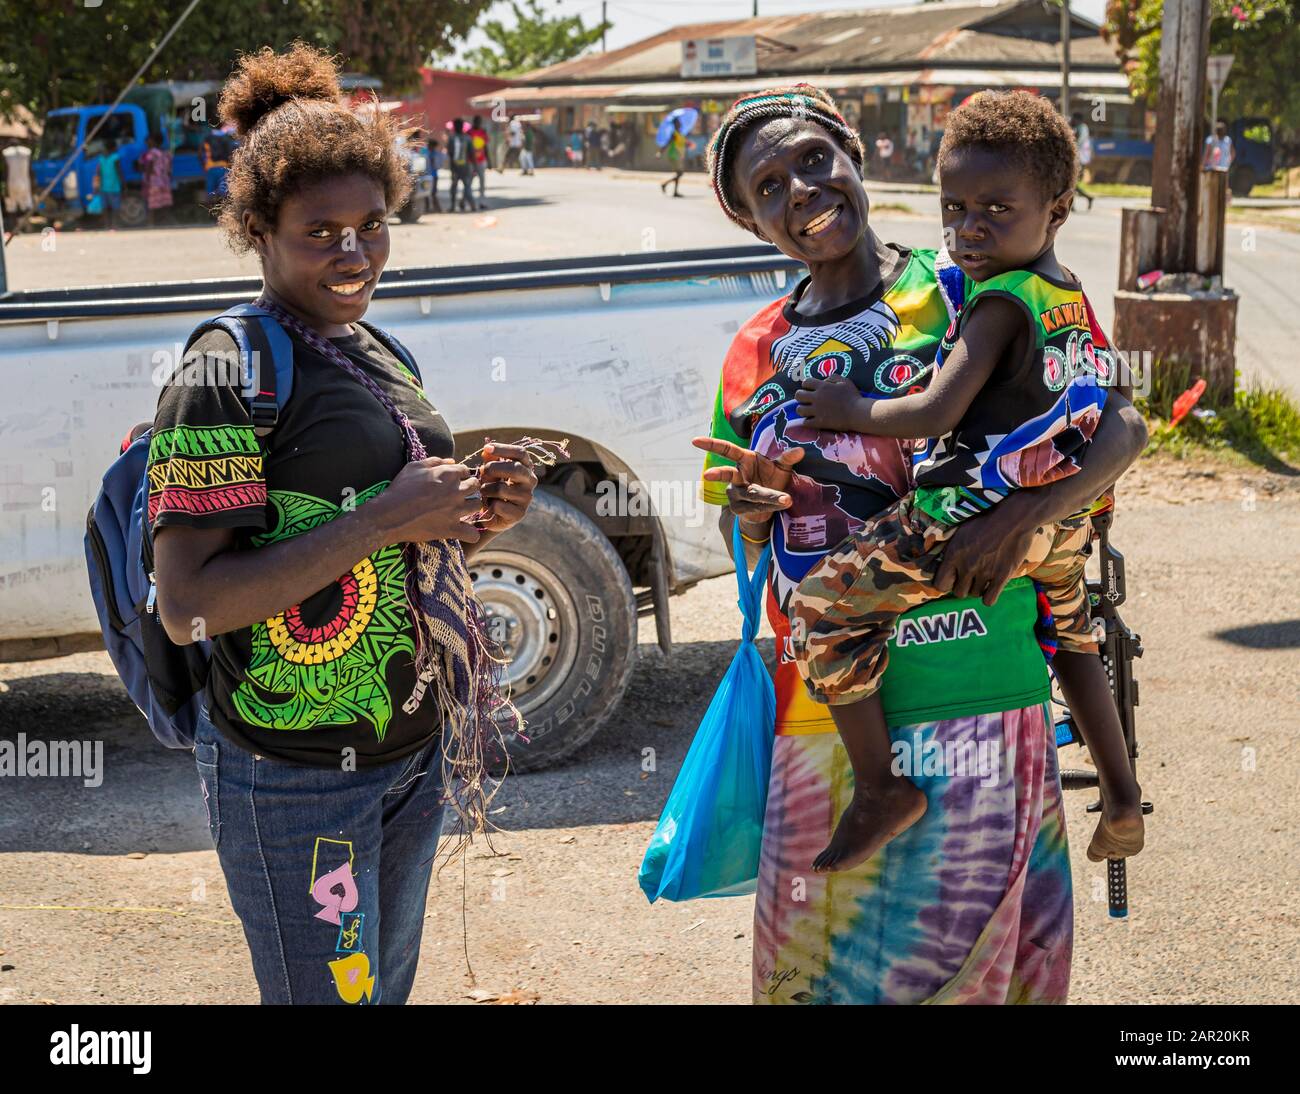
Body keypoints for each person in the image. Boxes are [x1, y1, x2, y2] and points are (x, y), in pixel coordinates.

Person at [697, 83, 1148, 1004]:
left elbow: (1121, 427)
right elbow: (741, 535)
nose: (802, 191)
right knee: (825, 981)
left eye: (814, 160)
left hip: (984, 695)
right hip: (825, 722)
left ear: (856, 155)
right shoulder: (755, 349)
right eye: (769, 185)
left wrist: (1019, 518)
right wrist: (751, 507)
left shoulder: (969, 282)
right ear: (750, 220)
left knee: (982, 984)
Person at [148, 43, 540, 1005]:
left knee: (379, 996)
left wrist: (470, 520)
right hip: (292, 781)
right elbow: (189, 606)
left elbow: (386, 552)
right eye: (320, 231)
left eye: (372, 225)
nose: (354, 252)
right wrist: (385, 515)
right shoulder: (225, 368)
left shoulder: (376, 348)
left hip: (407, 757)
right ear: (260, 230)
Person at [789, 91, 1143, 873]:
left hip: (961, 513)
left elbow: (932, 410)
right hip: (1061, 520)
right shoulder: (1068, 293)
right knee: (1075, 636)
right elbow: (1109, 405)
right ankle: (1121, 794)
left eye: (994, 209)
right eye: (954, 208)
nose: (969, 229)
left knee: (819, 609)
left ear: (1057, 209)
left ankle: (881, 787)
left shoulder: (997, 302)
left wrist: (851, 404)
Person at [137, 132, 174, 227]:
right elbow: (169, 169)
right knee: (165, 202)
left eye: (148, 141)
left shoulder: (152, 153)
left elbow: (149, 167)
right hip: (165, 181)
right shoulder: (166, 153)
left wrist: (147, 180)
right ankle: (166, 222)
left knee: (152, 203)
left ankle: (151, 223)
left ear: (153, 141)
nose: (146, 143)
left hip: (154, 181)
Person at [92, 138, 123, 228]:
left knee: (105, 207)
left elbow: (98, 172)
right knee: (115, 207)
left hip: (103, 186)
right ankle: (115, 224)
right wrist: (124, 184)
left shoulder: (101, 158)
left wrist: (97, 185)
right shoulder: (115, 157)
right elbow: (119, 171)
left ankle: (106, 225)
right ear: (114, 147)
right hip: (114, 186)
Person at [201, 123, 235, 204]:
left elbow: (201, 152)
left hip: (210, 167)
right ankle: (223, 209)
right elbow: (230, 153)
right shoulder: (226, 138)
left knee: (210, 191)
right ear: (222, 125)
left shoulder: (207, 138)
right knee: (224, 191)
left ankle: (209, 209)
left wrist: (203, 164)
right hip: (223, 167)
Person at [447, 118, 476, 212]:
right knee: (463, 187)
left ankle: (455, 206)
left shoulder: (454, 138)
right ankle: (471, 205)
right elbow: (471, 154)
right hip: (461, 167)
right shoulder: (466, 138)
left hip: (459, 167)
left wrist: (451, 167)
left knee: (459, 187)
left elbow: (450, 154)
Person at [1071, 112, 1095, 210]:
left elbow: (1077, 142)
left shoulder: (1082, 128)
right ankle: (1075, 204)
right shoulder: (1080, 127)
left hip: (1078, 159)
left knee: (1072, 183)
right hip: (1078, 158)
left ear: (1078, 119)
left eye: (1074, 119)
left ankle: (1087, 198)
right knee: (1072, 183)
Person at [659, 116, 685, 197]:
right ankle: (665, 184)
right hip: (674, 155)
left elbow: (681, 144)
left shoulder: (680, 133)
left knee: (678, 174)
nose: (680, 124)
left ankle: (675, 192)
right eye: (678, 123)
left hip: (679, 156)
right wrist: (660, 152)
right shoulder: (674, 134)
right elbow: (667, 143)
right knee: (679, 173)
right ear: (675, 124)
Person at [468, 114, 490, 204]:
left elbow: (485, 147)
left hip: (481, 160)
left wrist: (489, 161)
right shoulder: (469, 133)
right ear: (474, 122)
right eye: (477, 122)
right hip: (471, 161)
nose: (478, 123)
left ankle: (482, 202)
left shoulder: (483, 132)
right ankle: (466, 200)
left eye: (480, 122)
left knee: (482, 181)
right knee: (469, 182)